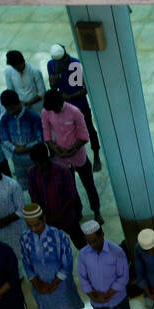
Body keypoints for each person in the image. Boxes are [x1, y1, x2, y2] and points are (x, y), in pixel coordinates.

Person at [41, 89, 100, 220]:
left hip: (78, 156)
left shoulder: (75, 112)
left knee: (89, 185)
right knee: (70, 187)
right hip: (61, 158)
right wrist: (55, 149)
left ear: (60, 103)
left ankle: (96, 211)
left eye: (55, 108)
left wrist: (74, 149)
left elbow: (84, 135)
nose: (53, 111)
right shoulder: (46, 111)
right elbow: (46, 133)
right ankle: (77, 210)